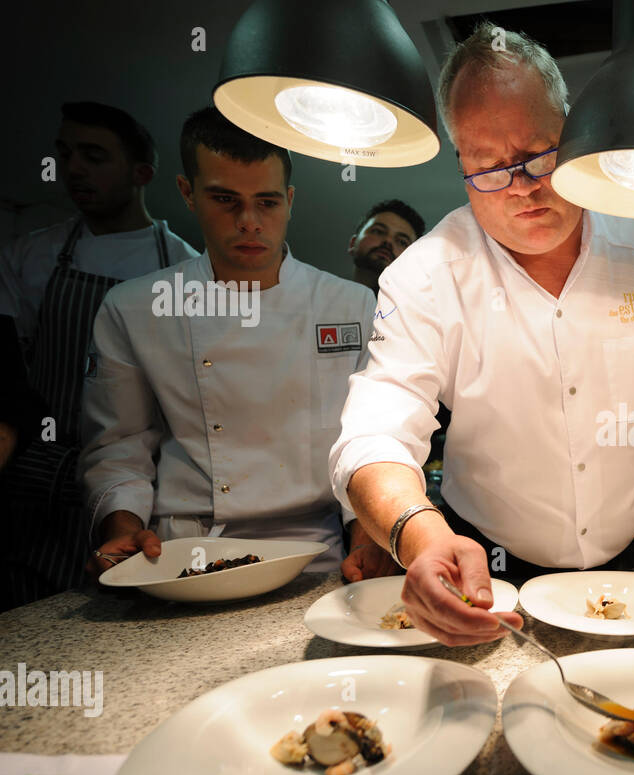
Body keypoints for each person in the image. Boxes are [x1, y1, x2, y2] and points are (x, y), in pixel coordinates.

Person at [330, 22, 634, 645]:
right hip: (489, 570)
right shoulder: (423, 276)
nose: (523, 186)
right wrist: (418, 534)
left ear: (575, 127)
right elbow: (374, 437)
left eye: (539, 154)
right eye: (490, 169)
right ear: (460, 165)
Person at [80, 107, 391, 580]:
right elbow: (120, 446)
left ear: (289, 200)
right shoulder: (134, 308)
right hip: (188, 553)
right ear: (188, 193)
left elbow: (366, 439)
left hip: (319, 552)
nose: (249, 221)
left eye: (266, 202)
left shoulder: (348, 304)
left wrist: (366, 539)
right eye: (225, 199)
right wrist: (122, 526)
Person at [0, 102, 198, 610]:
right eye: (65, 154)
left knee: (109, 610)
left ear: (142, 174)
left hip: (133, 484)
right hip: (34, 469)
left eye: (94, 156)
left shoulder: (184, 268)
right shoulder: (31, 254)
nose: (74, 169)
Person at [347, 199, 425, 293]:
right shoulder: (324, 289)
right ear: (353, 243)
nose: (388, 241)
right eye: (378, 231)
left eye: (402, 242)